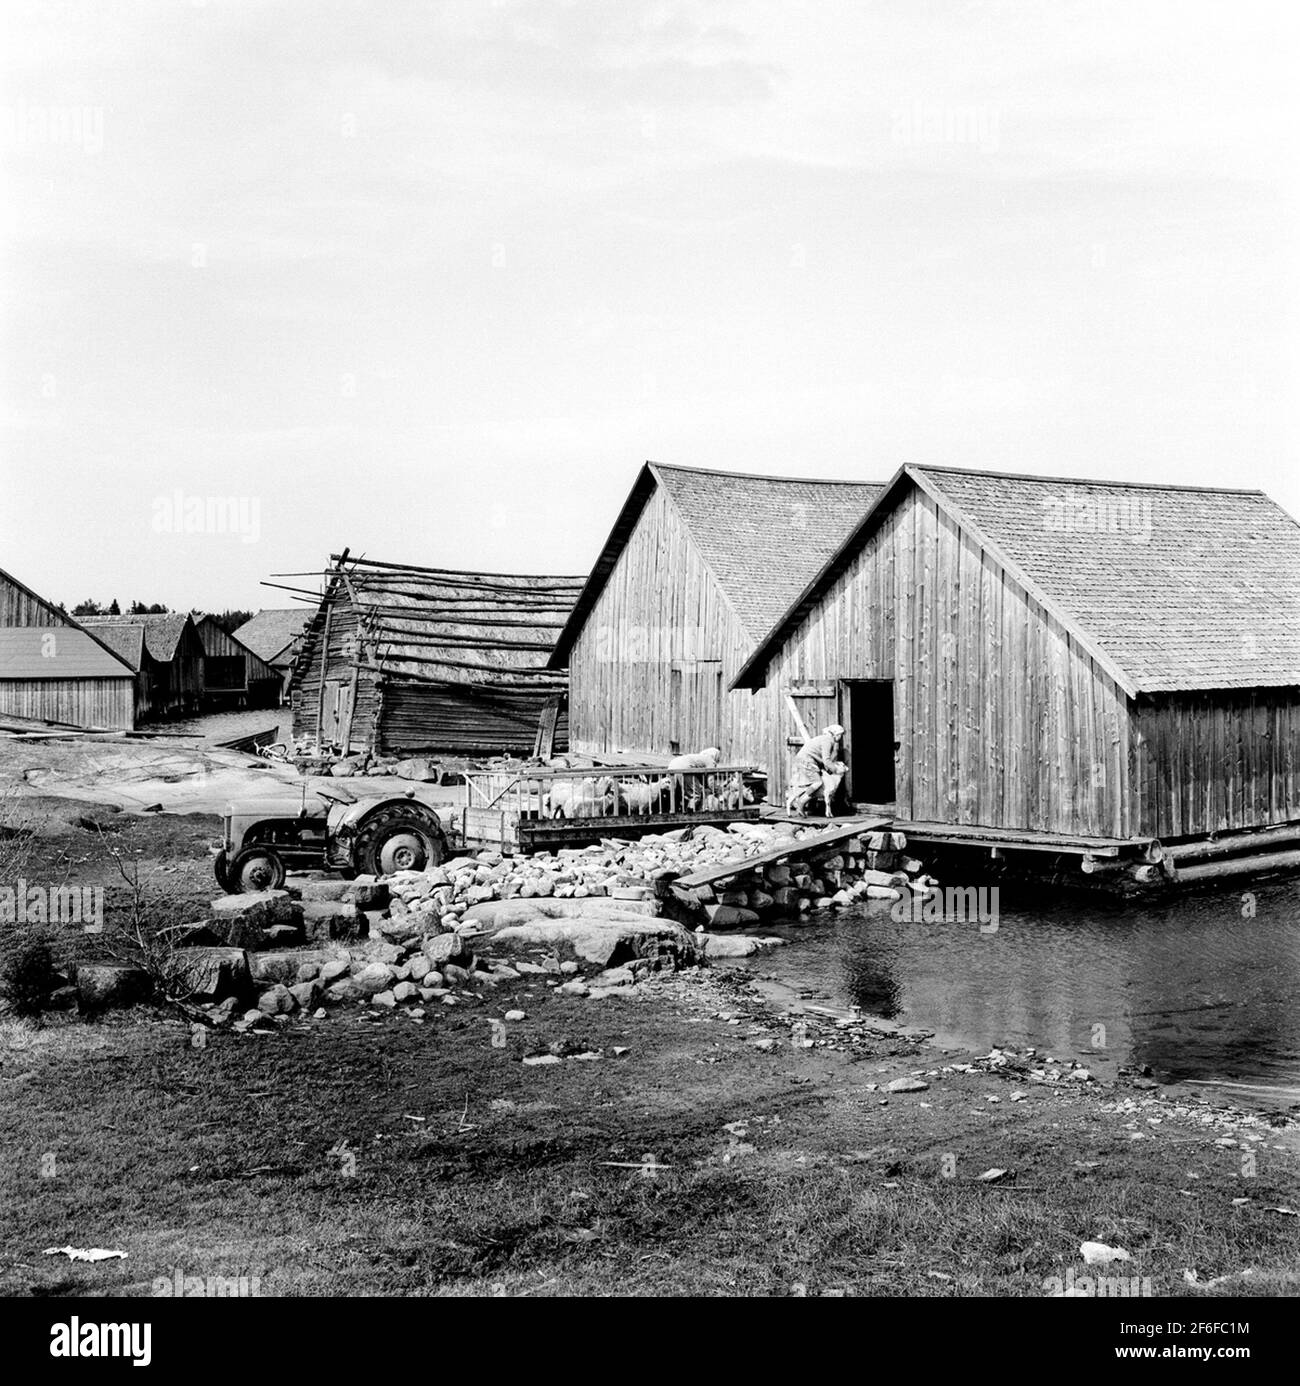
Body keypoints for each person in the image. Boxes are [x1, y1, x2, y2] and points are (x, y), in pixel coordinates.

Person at [786, 724, 847, 817]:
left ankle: (811, 809)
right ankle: (801, 802)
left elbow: (823, 759)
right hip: (806, 761)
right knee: (817, 782)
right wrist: (835, 770)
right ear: (835, 734)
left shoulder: (825, 739)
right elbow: (826, 760)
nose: (840, 737)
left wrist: (827, 768)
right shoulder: (828, 740)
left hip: (807, 760)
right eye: (840, 735)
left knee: (814, 783)